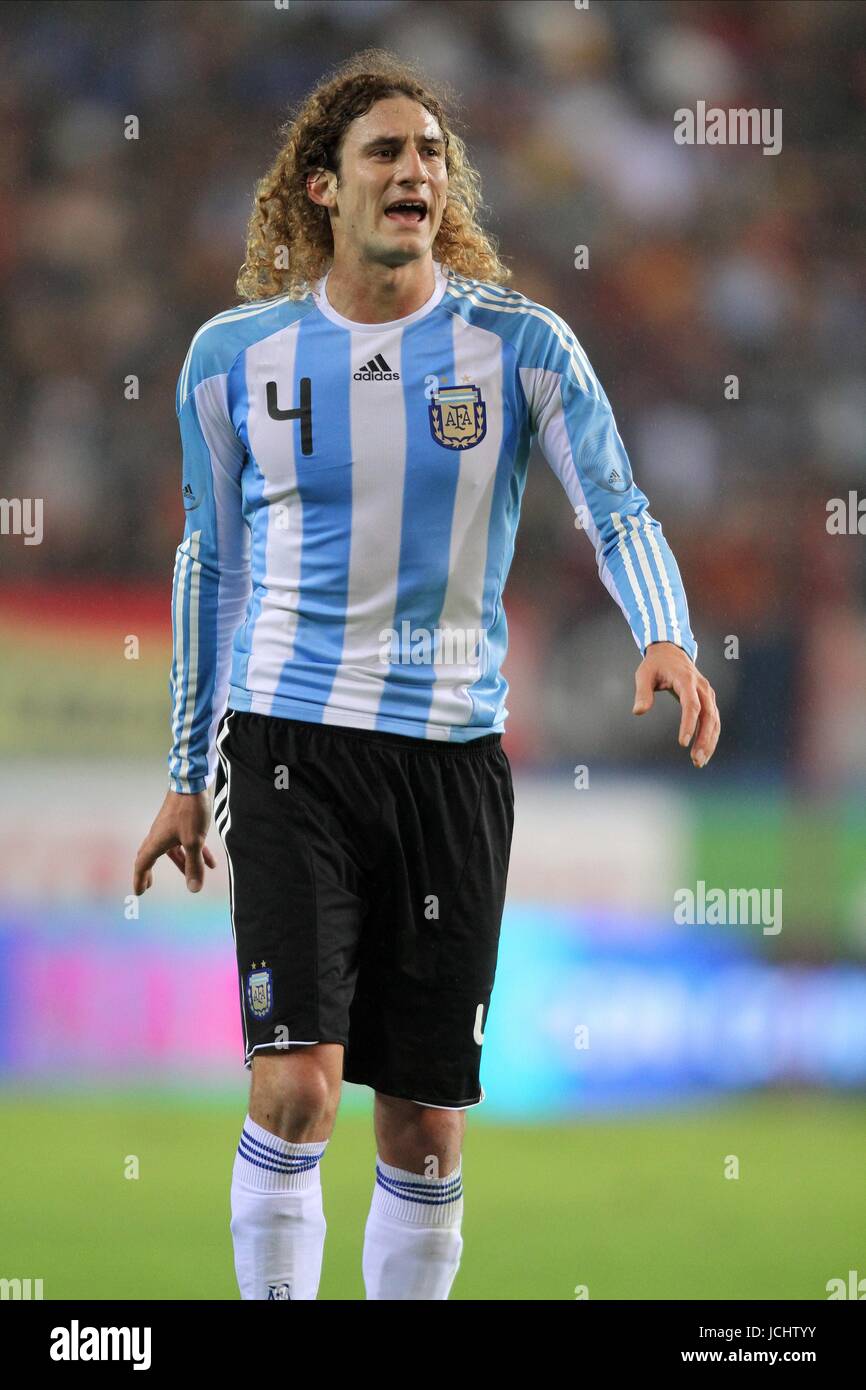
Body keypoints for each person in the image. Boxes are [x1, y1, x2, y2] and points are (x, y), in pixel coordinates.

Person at [132, 48, 720, 1301]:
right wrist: (187, 771)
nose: (414, 171)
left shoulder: (520, 347)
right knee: (292, 1090)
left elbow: (616, 510)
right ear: (319, 189)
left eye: (430, 154)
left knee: (427, 1127)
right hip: (289, 743)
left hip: (452, 763)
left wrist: (661, 630)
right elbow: (210, 569)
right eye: (384, 153)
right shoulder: (233, 360)